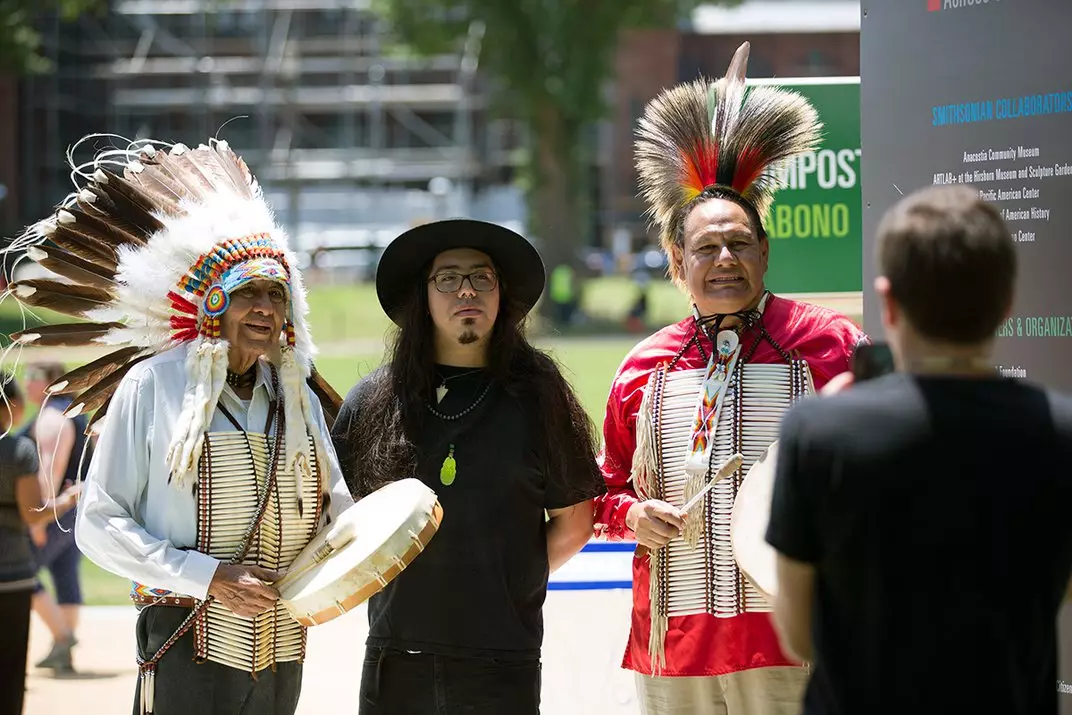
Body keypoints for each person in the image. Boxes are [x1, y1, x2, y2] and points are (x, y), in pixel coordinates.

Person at [4, 136, 354, 715]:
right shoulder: (154, 386)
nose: (265, 307)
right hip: (184, 630)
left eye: (276, 293)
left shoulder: (297, 399)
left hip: (281, 638)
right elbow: (98, 521)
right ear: (211, 302)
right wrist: (207, 576)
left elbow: (334, 503)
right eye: (247, 294)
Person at [591, 42, 868, 714]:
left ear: (765, 251)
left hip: (792, 644)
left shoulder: (827, 346)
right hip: (674, 652)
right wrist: (634, 513)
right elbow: (602, 494)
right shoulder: (641, 370)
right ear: (676, 261)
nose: (724, 259)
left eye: (739, 242)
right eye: (706, 246)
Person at [765, 184, 1072, 715]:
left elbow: (798, 634)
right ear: (1006, 305)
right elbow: (1056, 592)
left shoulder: (817, 432)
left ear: (888, 303)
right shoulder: (1059, 433)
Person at [330, 218, 607, 714]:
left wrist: (506, 583)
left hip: (502, 660)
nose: (466, 291)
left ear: (502, 293)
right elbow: (338, 526)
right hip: (397, 657)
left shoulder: (540, 395)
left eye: (482, 277)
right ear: (423, 295)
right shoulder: (374, 400)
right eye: (448, 278)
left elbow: (575, 521)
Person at [0, 376, 79, 713]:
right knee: (8, 672)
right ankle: (65, 637)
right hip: (10, 575)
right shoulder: (18, 450)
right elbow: (33, 513)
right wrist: (67, 499)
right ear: (10, 405)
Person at [22, 361, 91, 673]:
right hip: (78, 509)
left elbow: (47, 472)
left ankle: (63, 638)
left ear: (50, 382)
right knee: (66, 576)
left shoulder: (51, 418)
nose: (26, 382)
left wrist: (38, 516)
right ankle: (64, 652)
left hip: (57, 509)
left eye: (32, 376)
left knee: (22, 573)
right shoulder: (75, 413)